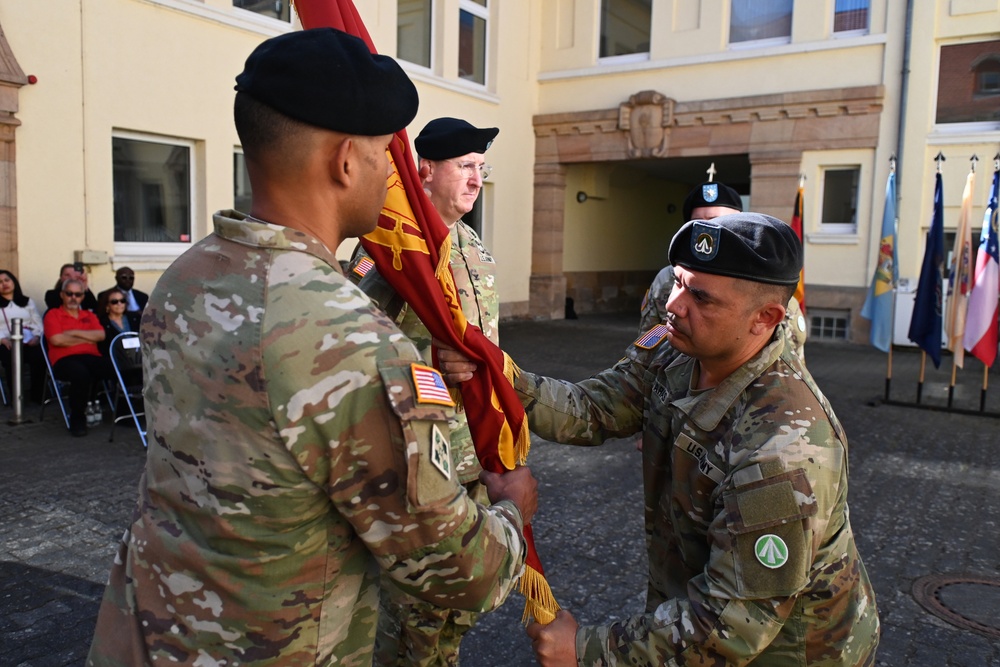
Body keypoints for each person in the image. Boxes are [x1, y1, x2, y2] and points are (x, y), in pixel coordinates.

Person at [86, 28, 537, 666]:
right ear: (346, 161)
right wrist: (513, 509)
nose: (394, 176)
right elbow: (460, 572)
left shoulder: (186, 278)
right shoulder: (348, 338)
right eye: (386, 155)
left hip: (153, 634)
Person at [446, 213, 879, 665]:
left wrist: (585, 651)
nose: (674, 304)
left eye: (700, 297)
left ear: (764, 318)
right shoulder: (674, 349)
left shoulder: (784, 449)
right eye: (678, 282)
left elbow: (729, 623)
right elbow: (596, 407)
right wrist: (498, 378)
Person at [350, 116, 502, 667]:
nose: (477, 178)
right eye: (465, 166)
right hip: (421, 460)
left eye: (481, 167)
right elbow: (356, 351)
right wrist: (431, 363)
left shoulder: (472, 245)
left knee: (460, 601)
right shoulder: (392, 248)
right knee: (414, 615)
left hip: (473, 453)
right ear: (426, 170)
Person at [639, 181, 808, 357]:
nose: (706, 233)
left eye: (717, 221)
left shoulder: (768, 290)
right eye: (697, 222)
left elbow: (788, 357)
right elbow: (649, 342)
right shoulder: (665, 278)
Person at [43, 278, 105, 436]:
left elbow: (100, 335)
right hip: (64, 360)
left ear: (82, 297)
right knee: (80, 373)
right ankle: (77, 418)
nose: (73, 298)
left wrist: (73, 333)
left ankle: (127, 411)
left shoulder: (89, 315)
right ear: (62, 295)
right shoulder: (53, 314)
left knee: (117, 368)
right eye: (69, 293)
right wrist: (87, 338)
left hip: (90, 357)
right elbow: (57, 340)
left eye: (78, 294)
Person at [0, 269, 46, 403]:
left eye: (7, 280)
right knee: (10, 359)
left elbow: (37, 321)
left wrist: (36, 337)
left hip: (28, 340)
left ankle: (37, 396)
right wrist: (2, 339)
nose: (4, 284)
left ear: (13, 282)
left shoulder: (27, 301)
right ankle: (16, 398)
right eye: (0, 282)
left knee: (39, 358)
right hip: (6, 342)